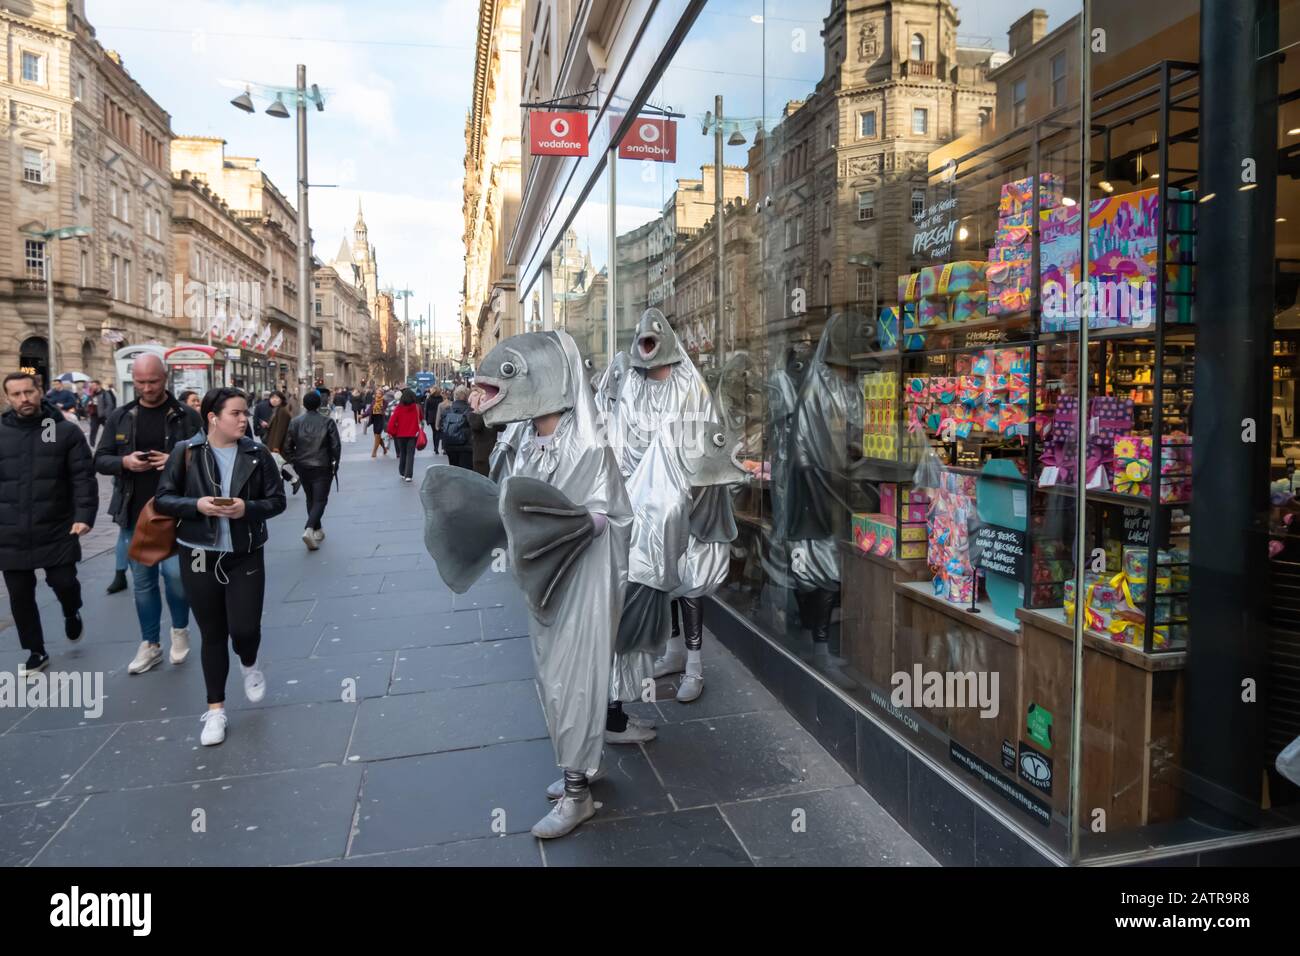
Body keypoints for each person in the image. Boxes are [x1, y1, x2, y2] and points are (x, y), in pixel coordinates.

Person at [421, 330, 632, 838]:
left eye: (509, 377)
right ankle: (582, 767)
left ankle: (578, 791)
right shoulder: (528, 438)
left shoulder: (589, 443)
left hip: (582, 583)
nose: (486, 389)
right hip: (546, 586)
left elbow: (605, 514)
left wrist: (574, 524)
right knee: (554, 675)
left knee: (574, 675)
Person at [155, 387, 286, 746]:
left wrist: (248, 509)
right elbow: (163, 498)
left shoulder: (257, 454)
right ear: (213, 417)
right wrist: (197, 504)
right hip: (198, 552)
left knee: (244, 628)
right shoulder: (186, 452)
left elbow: (277, 501)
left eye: (245, 413)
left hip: (244, 551)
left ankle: (249, 662)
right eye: (236, 414)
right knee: (212, 633)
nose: (244, 419)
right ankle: (215, 711)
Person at [95, 353, 203, 674]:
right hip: (134, 512)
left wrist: (174, 458)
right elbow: (100, 459)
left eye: (152, 381)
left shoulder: (186, 415)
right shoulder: (121, 415)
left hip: (175, 512)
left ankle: (180, 630)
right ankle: (150, 643)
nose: (146, 388)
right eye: (140, 382)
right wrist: (125, 462)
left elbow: (207, 457)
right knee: (142, 582)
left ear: (165, 378)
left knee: (176, 578)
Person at [1, 372, 97, 676]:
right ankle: (36, 650)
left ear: (40, 392)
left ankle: (72, 610)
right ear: (7, 398)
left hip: (56, 527)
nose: (23, 399)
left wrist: (83, 516)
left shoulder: (60, 431)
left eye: (28, 392)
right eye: (16, 394)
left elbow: (82, 476)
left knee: (64, 582)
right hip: (9, 531)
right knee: (20, 595)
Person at [283, 390, 340, 550]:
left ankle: (317, 530)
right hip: (322, 464)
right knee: (321, 499)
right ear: (319, 403)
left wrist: (295, 461)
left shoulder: (295, 422)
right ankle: (309, 528)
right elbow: (335, 445)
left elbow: (287, 446)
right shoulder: (327, 422)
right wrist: (335, 462)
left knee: (311, 498)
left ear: (304, 404)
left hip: (303, 465)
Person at [386, 388, 422, 483]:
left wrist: (393, 432)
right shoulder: (416, 407)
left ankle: (402, 472)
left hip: (400, 435)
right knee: (410, 454)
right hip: (413, 434)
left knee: (403, 453)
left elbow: (391, 423)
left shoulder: (399, 408)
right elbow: (421, 418)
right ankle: (408, 475)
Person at [437, 385, 473, 470]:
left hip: (450, 444)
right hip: (465, 446)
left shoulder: (447, 410)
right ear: (466, 396)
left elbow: (443, 425)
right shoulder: (470, 411)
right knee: (465, 471)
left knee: (454, 469)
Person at [467, 386, 501, 477]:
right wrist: (482, 410)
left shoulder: (493, 415)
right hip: (480, 456)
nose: (484, 401)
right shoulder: (473, 415)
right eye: (482, 399)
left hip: (493, 454)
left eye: (486, 399)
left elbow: (502, 427)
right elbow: (476, 426)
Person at [87, 379, 116, 450]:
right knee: (93, 431)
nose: (92, 387)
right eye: (92, 385)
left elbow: (110, 405)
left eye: (94, 385)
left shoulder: (105, 393)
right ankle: (92, 446)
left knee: (108, 430)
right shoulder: (92, 394)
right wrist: (88, 405)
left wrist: (105, 414)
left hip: (103, 416)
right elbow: (87, 403)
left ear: (98, 385)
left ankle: (110, 444)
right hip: (94, 415)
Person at [369, 388, 389, 457]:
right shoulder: (374, 401)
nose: (378, 395)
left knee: (377, 435)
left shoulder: (385, 402)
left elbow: (386, 411)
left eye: (379, 393)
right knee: (377, 437)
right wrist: (362, 415)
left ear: (382, 394)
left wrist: (382, 409)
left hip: (381, 419)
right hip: (375, 420)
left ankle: (374, 452)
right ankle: (384, 449)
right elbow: (369, 410)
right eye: (377, 393)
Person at [424, 387, 444, 453]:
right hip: (440, 417)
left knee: (434, 432)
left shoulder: (429, 398)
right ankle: (438, 447)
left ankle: (435, 447)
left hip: (431, 417)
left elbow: (426, 409)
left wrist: (426, 419)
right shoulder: (441, 398)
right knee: (438, 432)